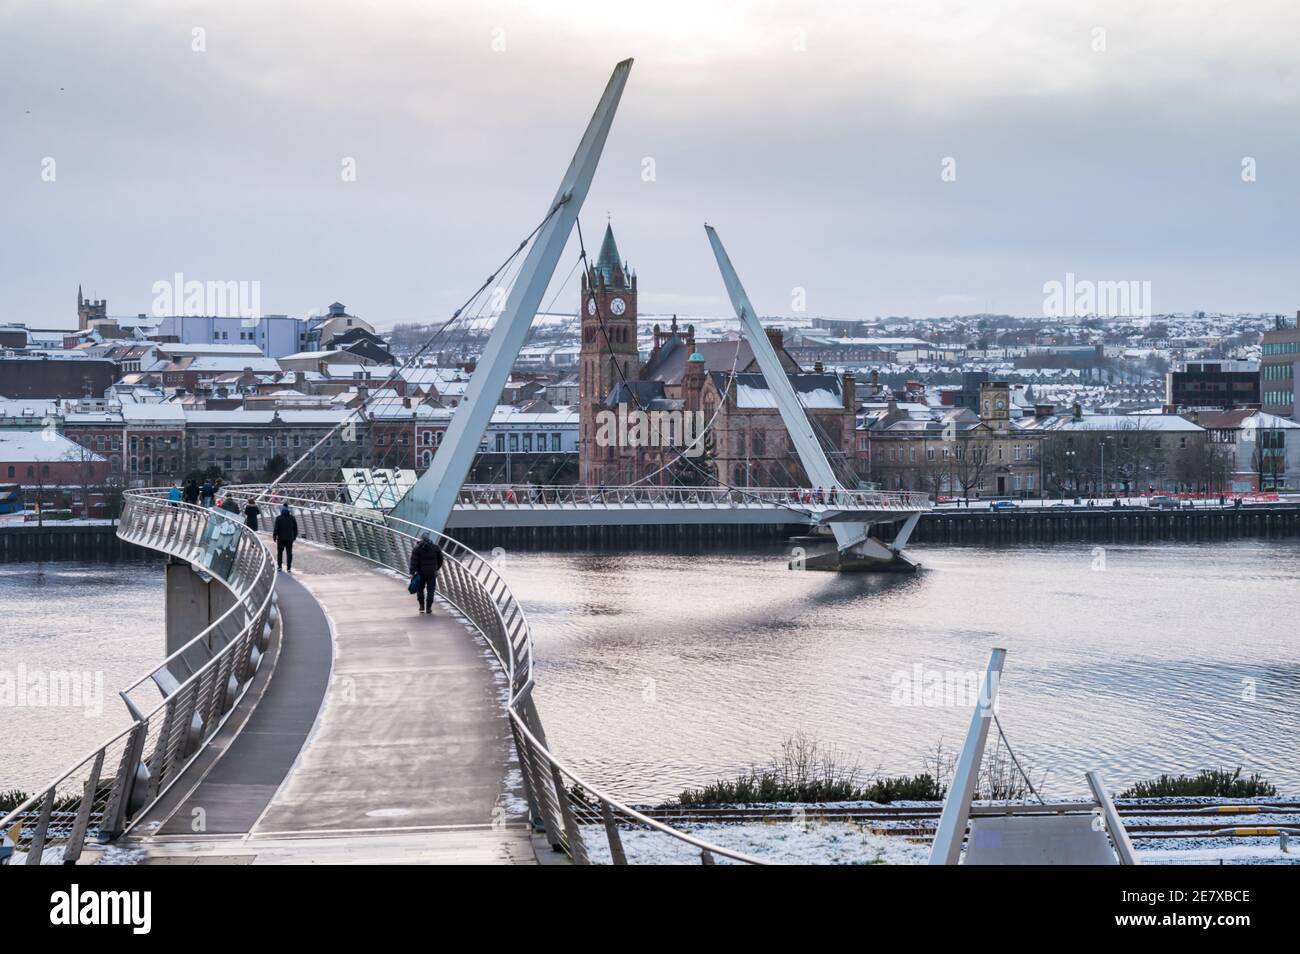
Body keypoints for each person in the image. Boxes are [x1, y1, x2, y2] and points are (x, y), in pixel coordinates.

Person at [408, 532, 444, 615]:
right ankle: (429, 608)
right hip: (432, 573)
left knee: (420, 589)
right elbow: (440, 560)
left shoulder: (417, 548)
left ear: (421, 539)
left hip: (421, 573)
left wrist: (412, 573)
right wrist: (436, 568)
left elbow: (414, 562)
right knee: (430, 590)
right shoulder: (435, 548)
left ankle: (421, 606)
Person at [273, 503, 298, 573]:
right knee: (289, 553)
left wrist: (274, 536)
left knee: (280, 552)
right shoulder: (292, 518)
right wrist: (294, 537)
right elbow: (295, 528)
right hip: (290, 538)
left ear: (281, 510)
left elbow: (276, 529)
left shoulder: (278, 518)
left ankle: (279, 566)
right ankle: (289, 568)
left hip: (281, 538)